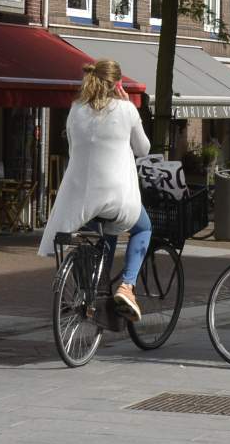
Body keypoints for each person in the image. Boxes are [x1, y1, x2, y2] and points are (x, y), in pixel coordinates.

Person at [36, 58, 153, 319]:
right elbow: (143, 149)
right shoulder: (126, 109)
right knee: (144, 227)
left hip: (79, 200)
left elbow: (73, 149)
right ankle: (127, 286)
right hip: (117, 199)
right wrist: (131, 109)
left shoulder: (76, 109)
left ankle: (95, 291)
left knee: (104, 231)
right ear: (118, 84)